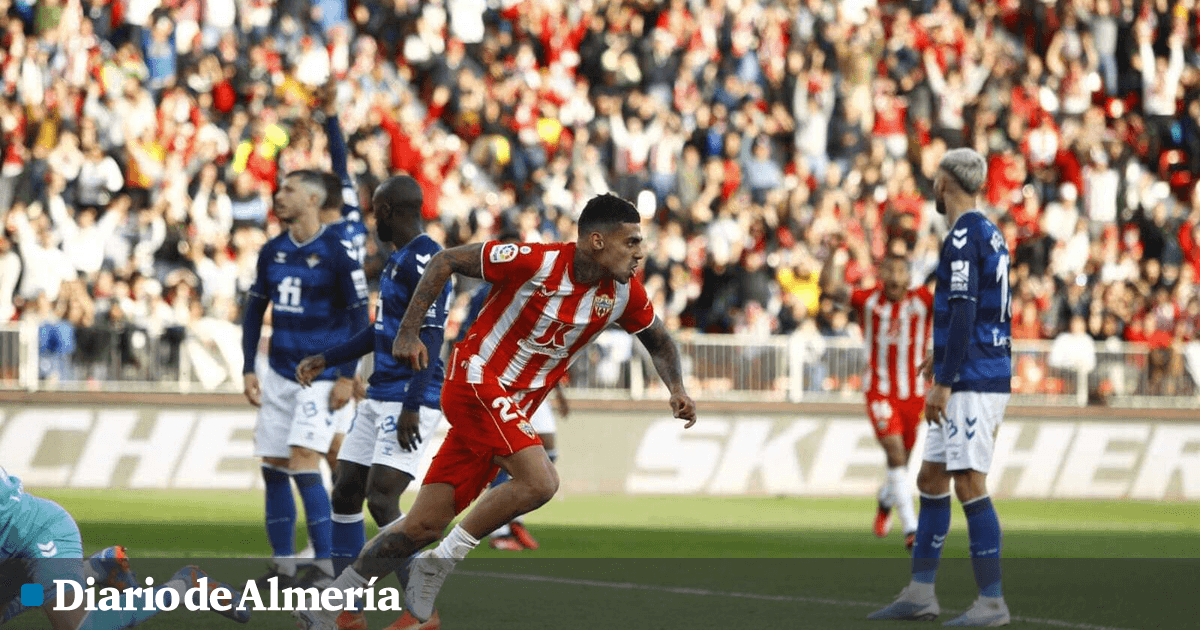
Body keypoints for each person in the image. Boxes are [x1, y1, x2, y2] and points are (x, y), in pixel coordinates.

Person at [294, 194, 698, 630]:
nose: (641, 252)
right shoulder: (534, 261)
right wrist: (409, 332)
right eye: (631, 241)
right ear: (597, 241)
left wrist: (676, 388)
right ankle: (439, 564)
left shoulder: (623, 294)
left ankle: (329, 602)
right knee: (541, 481)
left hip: (505, 411)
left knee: (423, 524)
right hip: (475, 379)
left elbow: (658, 340)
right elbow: (446, 260)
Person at [295, 176, 451, 630]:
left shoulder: (428, 258)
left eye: (373, 211)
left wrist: (413, 403)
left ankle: (423, 612)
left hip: (409, 397)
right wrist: (329, 357)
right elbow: (380, 331)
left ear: (385, 211)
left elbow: (433, 337)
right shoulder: (397, 259)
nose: (370, 220)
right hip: (380, 392)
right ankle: (348, 612)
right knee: (345, 489)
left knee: (383, 500)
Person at [869, 148, 1012, 626]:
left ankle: (991, 602)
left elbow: (968, 307)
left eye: (934, 179)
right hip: (972, 366)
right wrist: (942, 352)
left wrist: (944, 382)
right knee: (931, 480)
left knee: (970, 482)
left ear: (945, 184)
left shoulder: (963, 235)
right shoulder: (988, 231)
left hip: (973, 379)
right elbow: (977, 309)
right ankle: (921, 593)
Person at [241, 170, 370, 588]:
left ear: (314, 199)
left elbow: (358, 317)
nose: (279, 196)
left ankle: (329, 565)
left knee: (303, 460)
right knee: (274, 467)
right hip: (278, 373)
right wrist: (248, 366)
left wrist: (347, 376)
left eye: (289, 190)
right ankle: (284, 565)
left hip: (321, 375)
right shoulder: (272, 250)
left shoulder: (338, 250)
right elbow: (254, 310)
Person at [0, 468, 249, 629]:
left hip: (39, 533)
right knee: (37, 597)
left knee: (78, 627)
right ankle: (94, 570)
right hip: (12, 542)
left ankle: (184, 586)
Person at [456, 229, 570, 552]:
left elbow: (547, 344)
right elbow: (467, 336)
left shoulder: (537, 287)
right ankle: (501, 529)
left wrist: (557, 392)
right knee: (506, 456)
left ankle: (513, 515)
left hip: (532, 383)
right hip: (497, 382)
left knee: (546, 445)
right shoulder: (488, 291)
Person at [845, 253, 931, 550]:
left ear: (909, 277)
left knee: (902, 465)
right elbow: (829, 286)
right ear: (880, 274)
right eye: (889, 271)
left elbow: (958, 308)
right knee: (895, 454)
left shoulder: (923, 301)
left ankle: (885, 500)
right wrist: (835, 253)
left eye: (900, 272)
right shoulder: (867, 300)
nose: (895, 278)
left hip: (915, 394)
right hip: (879, 391)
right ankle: (912, 528)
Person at [316, 83, 371, 476]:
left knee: (332, 450)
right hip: (331, 336)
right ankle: (338, 533)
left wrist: (332, 117)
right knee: (330, 451)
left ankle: (336, 533)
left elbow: (340, 164)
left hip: (344, 339)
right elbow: (339, 165)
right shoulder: (320, 232)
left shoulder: (344, 227)